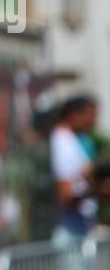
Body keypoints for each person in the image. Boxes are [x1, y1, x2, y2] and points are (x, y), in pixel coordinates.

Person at [50, 95, 99, 239]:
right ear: (73, 114)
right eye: (89, 115)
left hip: (78, 226)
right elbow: (64, 195)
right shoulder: (61, 142)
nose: (93, 121)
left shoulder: (74, 139)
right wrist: (96, 189)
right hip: (69, 229)